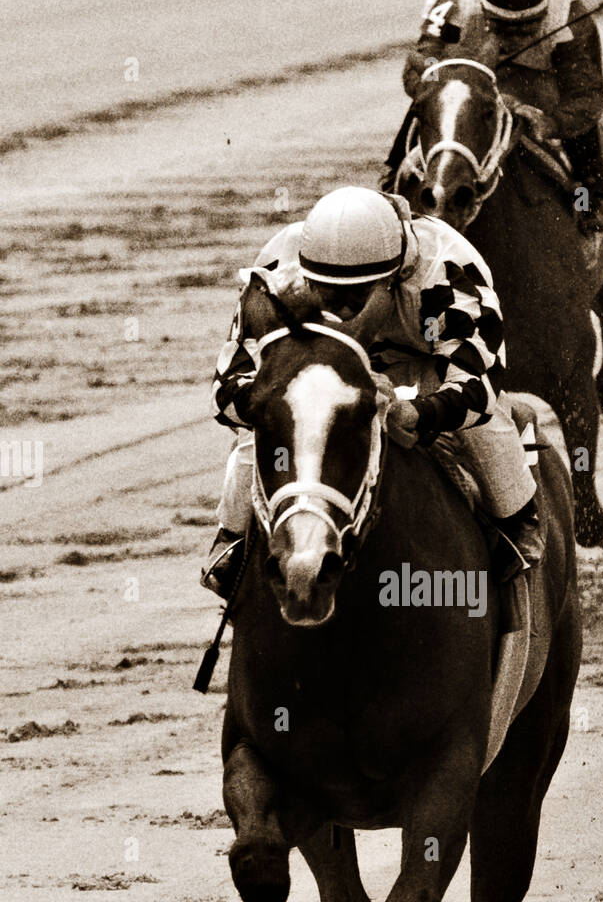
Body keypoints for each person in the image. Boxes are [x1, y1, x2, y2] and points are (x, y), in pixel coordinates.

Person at [201, 185, 539, 599]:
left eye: (357, 295)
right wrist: (273, 403)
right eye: (329, 293)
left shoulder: (448, 266)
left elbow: (479, 384)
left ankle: (517, 522)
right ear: (307, 275)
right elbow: (227, 386)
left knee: (484, 427)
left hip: (425, 362)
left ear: (395, 276)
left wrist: (417, 412)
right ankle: (231, 541)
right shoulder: (277, 270)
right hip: (322, 367)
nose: (343, 310)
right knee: (258, 434)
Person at [386, 0, 603, 235]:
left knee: (577, 124)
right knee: (442, 97)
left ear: (545, 13)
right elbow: (423, 65)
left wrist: (551, 122)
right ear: (485, 12)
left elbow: (586, 96)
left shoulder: (571, 17)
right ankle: (390, 181)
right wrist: (438, 75)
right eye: (506, 30)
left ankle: (592, 198)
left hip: (544, 62)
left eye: (527, 30)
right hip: (469, 46)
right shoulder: (456, 3)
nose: (516, 41)